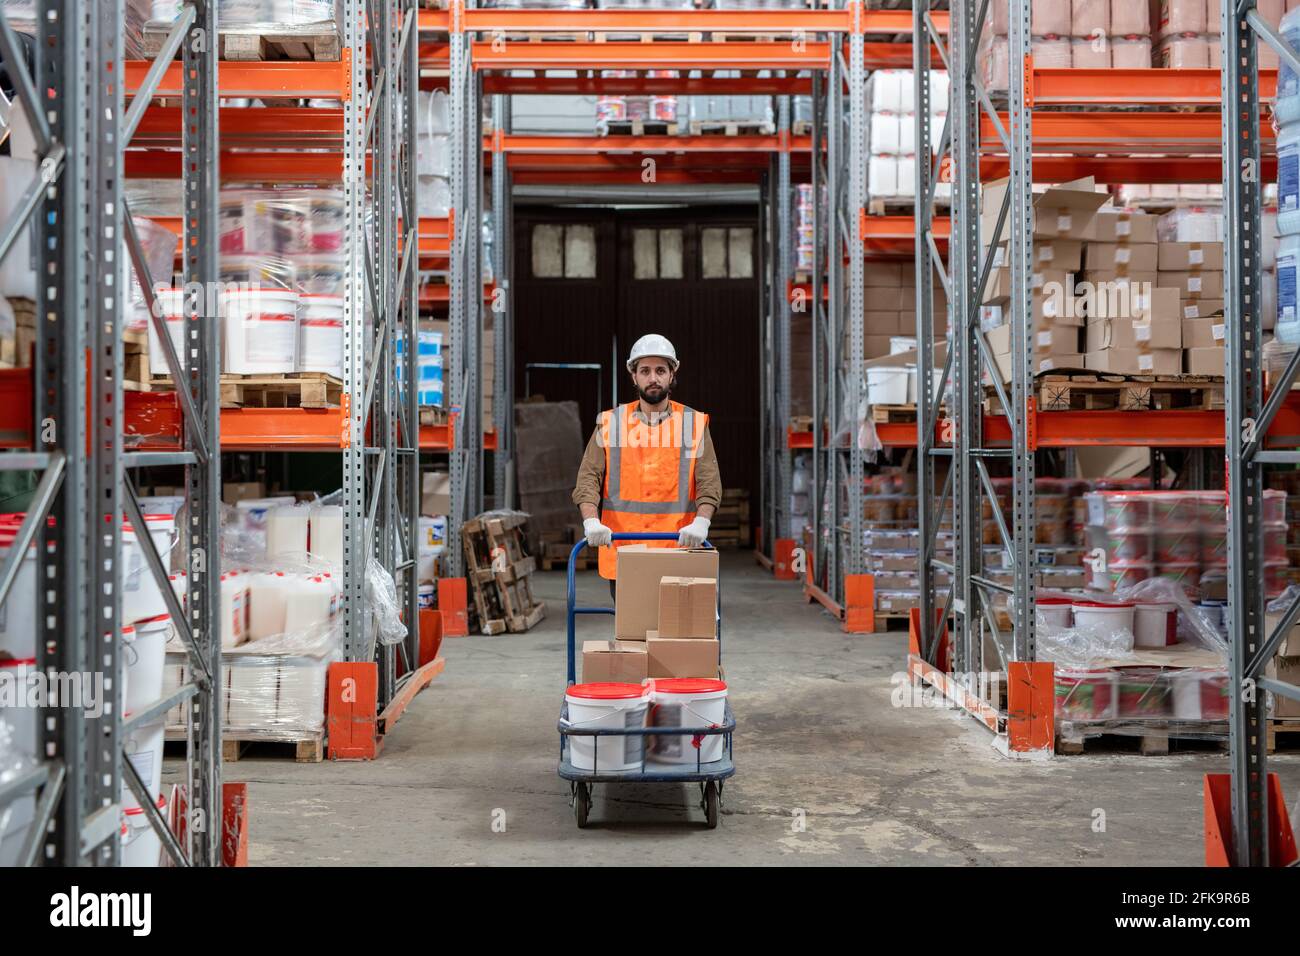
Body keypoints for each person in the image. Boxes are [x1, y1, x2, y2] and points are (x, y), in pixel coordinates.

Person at [572, 334, 722, 596]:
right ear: (634, 376)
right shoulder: (610, 423)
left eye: (660, 370)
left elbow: (709, 481)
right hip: (625, 551)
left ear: (672, 374)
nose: (653, 378)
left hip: (678, 550)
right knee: (632, 623)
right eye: (645, 371)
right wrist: (591, 521)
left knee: (676, 623)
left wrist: (701, 522)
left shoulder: (694, 423)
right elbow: (588, 477)